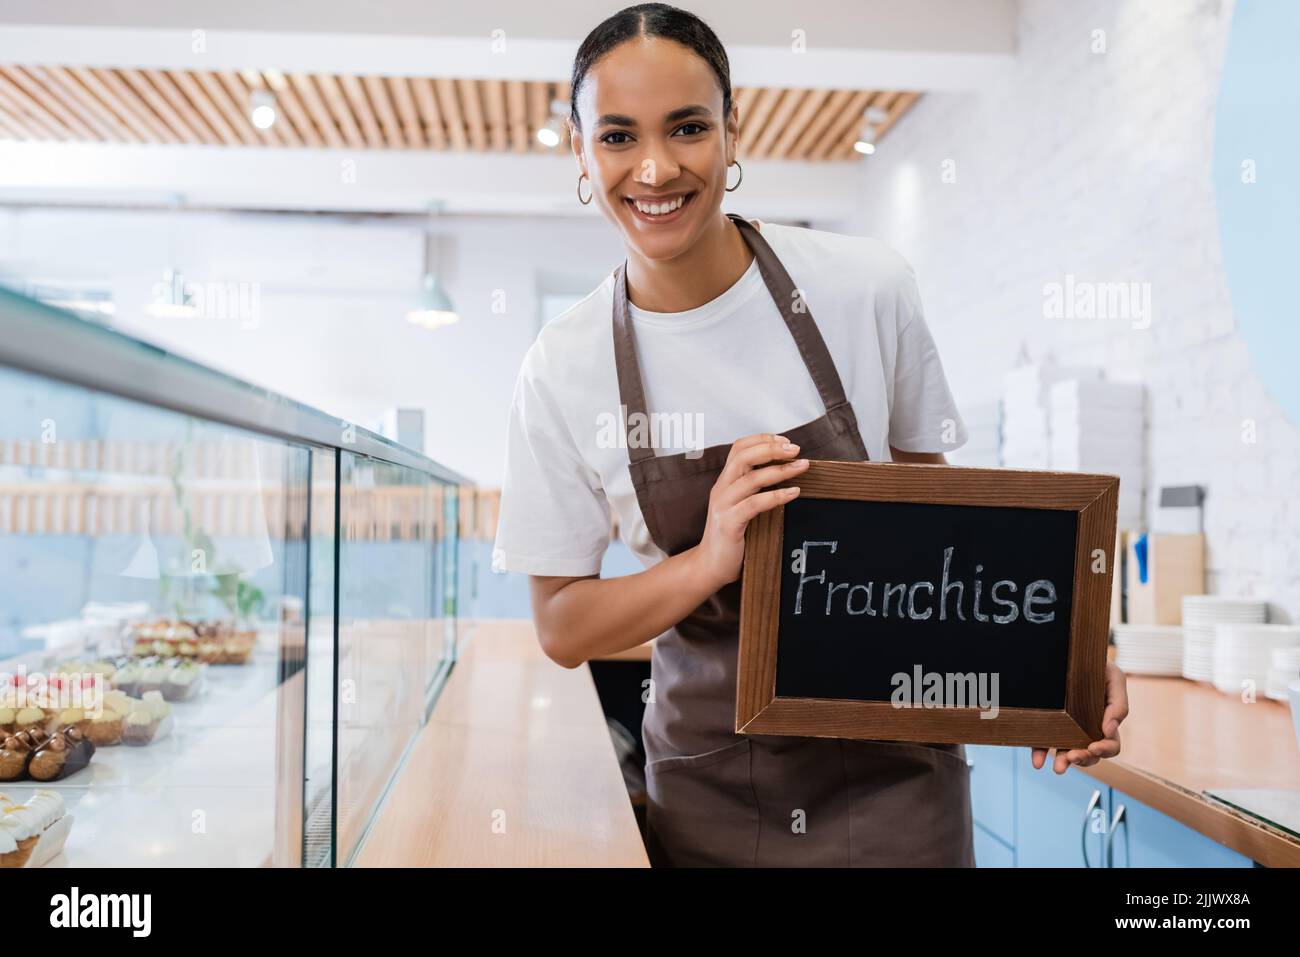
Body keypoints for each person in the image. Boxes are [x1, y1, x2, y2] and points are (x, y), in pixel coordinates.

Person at [492, 2, 1129, 866]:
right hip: (713, 794)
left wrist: (1060, 661)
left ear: (731, 130)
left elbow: (947, 534)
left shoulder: (864, 289)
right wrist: (710, 559)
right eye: (616, 136)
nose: (655, 167)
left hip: (900, 782)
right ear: (578, 149)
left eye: (687, 128)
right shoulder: (561, 366)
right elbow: (562, 625)